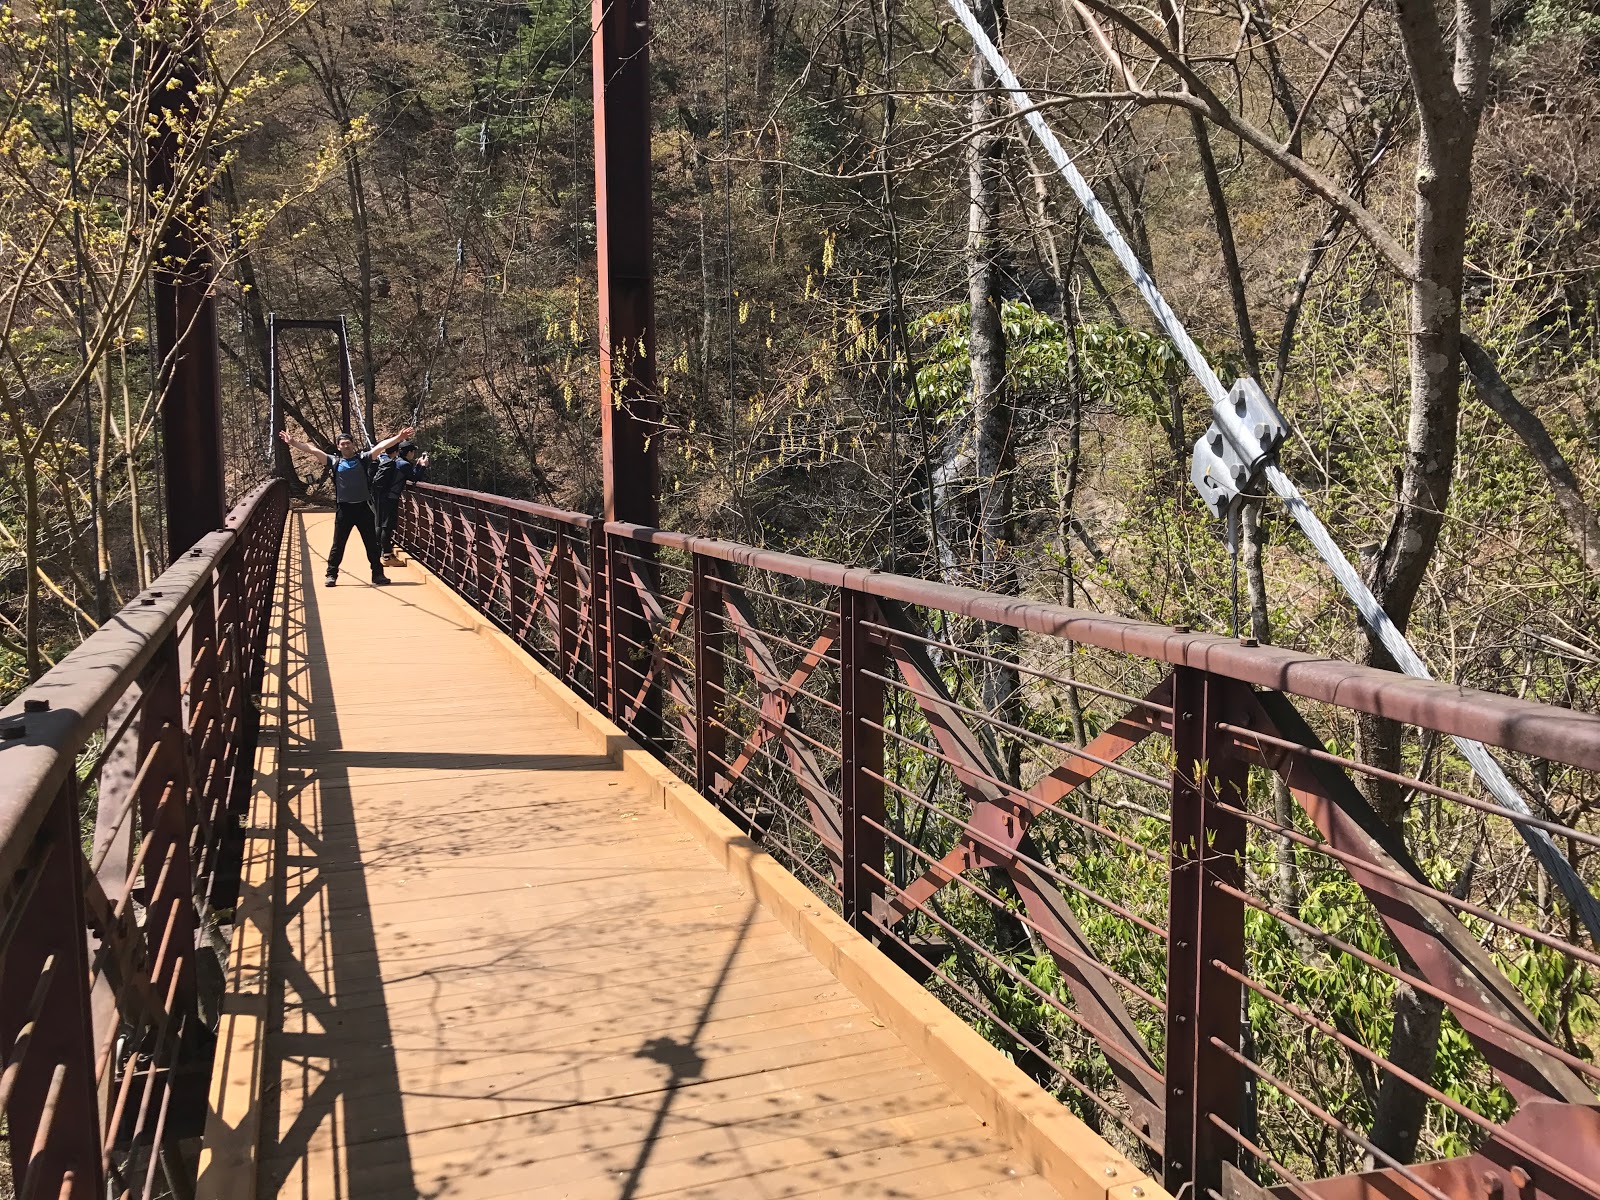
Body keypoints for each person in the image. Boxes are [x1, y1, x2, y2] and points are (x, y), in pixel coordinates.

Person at [278, 426, 415, 585]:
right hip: (344, 510)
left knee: (371, 543)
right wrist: (294, 442)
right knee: (338, 544)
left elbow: (381, 446)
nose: (346, 446)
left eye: (348, 443)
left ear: (353, 444)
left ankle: (378, 575)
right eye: (342, 444)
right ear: (338, 446)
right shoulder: (334, 461)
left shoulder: (363, 459)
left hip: (363, 508)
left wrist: (399, 437)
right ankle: (331, 575)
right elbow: (313, 450)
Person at [374, 439, 429, 566]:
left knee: (380, 524)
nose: (413, 454)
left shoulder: (394, 461)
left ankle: (379, 553)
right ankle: (387, 557)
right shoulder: (404, 464)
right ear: (409, 452)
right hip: (391, 498)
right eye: (413, 452)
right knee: (387, 526)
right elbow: (415, 477)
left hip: (381, 496)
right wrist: (422, 465)